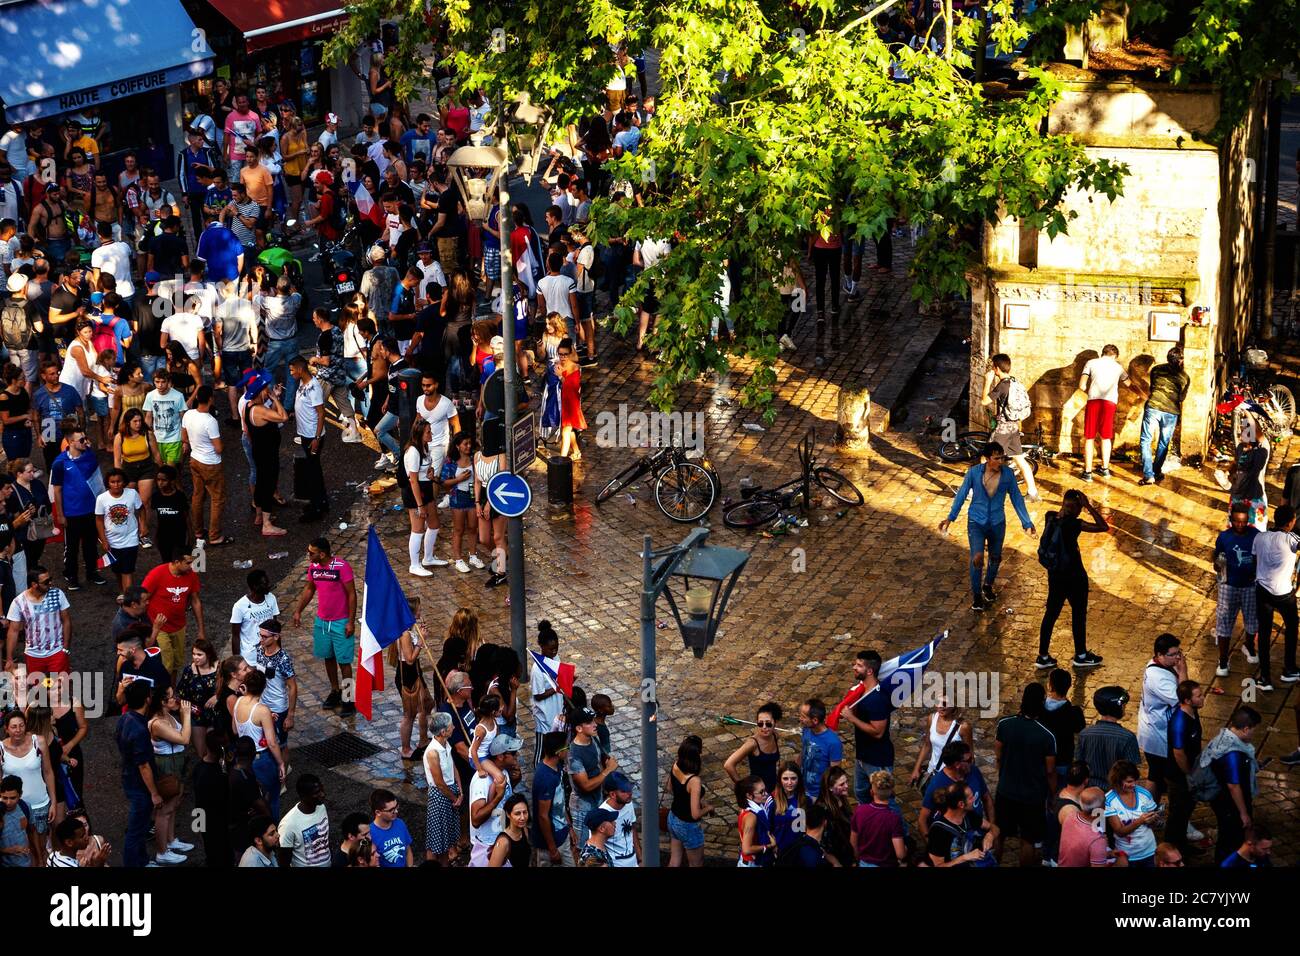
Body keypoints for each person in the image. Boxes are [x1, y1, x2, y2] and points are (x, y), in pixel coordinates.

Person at [940, 441, 1037, 611]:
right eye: (997, 458)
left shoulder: (1008, 475)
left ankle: (988, 585)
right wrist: (950, 518)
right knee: (977, 558)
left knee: (995, 558)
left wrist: (1026, 523)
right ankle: (977, 596)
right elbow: (961, 495)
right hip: (976, 522)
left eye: (1002, 458)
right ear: (987, 459)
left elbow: (1016, 498)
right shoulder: (974, 473)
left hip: (998, 523)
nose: (1001, 462)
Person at [1036, 489, 1108, 670]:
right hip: (1075, 577)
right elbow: (1103, 526)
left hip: (1055, 576)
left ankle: (1043, 656)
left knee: (1050, 615)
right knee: (1078, 615)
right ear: (1077, 507)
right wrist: (1089, 506)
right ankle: (1081, 654)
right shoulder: (1074, 524)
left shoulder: (1050, 516)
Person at [290, 537, 357, 717]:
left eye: (311, 553)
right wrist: (298, 610)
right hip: (322, 622)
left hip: (341, 622)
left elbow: (352, 594)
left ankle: (349, 699)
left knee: (344, 661)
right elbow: (310, 589)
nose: (308, 555)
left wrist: (350, 621)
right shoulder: (314, 568)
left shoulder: (341, 567)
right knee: (328, 657)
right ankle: (335, 691)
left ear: (322, 553)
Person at [993, 683, 1055, 867]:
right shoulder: (1046, 735)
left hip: (1005, 791)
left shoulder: (1004, 724)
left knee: (999, 833)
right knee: (1028, 839)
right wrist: (1052, 795)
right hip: (1032, 797)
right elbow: (1050, 770)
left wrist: (1003, 776)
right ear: (1041, 702)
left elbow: (998, 756)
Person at [50, 424, 107, 590]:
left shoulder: (89, 455)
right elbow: (57, 490)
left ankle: (92, 572)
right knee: (71, 548)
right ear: (71, 442)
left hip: (91, 510)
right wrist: (60, 514)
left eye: (86, 438)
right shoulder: (60, 463)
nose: (86, 442)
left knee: (90, 544)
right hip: (72, 513)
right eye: (81, 440)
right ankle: (72, 575)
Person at [1202, 706, 1261, 863]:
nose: (1254, 734)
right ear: (1246, 729)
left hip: (1219, 798)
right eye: (1254, 730)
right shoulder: (1232, 753)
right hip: (1229, 804)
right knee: (1230, 839)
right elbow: (1233, 785)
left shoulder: (1222, 738)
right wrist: (1243, 813)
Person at [1251, 503, 1300, 691]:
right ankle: (1289, 668)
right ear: (1290, 522)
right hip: (1284, 593)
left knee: (1263, 633)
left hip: (1262, 590)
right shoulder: (1291, 538)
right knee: (1292, 628)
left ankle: (1265, 677)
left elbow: (1255, 561)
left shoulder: (1260, 537)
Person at [114, 680, 162, 866]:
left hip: (128, 776)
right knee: (136, 830)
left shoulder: (125, 719)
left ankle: (141, 860)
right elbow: (144, 766)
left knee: (140, 827)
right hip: (138, 784)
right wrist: (154, 793)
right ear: (147, 700)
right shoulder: (140, 729)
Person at [980, 353, 1040, 500]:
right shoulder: (1014, 382)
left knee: (985, 458)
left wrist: (987, 381)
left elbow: (984, 401)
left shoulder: (1002, 386)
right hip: (1014, 427)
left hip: (1003, 429)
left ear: (996, 369)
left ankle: (975, 492)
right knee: (1020, 459)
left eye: (993, 367)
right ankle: (1033, 493)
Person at [146, 686, 194, 865]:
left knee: (174, 805)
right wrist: (187, 715)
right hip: (166, 766)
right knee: (164, 811)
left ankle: (171, 840)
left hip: (177, 763)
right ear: (162, 702)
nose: (177, 699)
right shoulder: (157, 723)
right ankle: (162, 851)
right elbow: (184, 739)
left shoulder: (168, 715)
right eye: (172, 697)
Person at [142, 552, 206, 682]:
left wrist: (201, 630)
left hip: (179, 626)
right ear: (177, 562)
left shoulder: (191, 575)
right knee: (166, 664)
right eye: (187, 563)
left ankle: (170, 693)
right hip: (160, 628)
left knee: (176, 664)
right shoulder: (157, 574)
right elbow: (142, 598)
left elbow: (195, 601)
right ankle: (162, 695)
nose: (191, 566)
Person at [1136, 632, 1187, 798]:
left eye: (1179, 653)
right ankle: (1149, 811)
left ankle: (1151, 811)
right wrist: (1183, 671)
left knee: (1156, 774)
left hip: (1156, 727)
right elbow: (1185, 699)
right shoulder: (1158, 678)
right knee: (1158, 775)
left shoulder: (1160, 665)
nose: (1177, 658)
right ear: (1159, 655)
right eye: (1173, 655)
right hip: (1156, 733)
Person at [232, 669, 286, 821]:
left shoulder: (238, 702)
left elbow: (235, 729)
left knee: (251, 799)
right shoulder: (262, 710)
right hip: (261, 759)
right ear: (263, 688)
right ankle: (272, 829)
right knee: (271, 798)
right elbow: (272, 742)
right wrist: (281, 763)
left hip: (243, 759)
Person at [1214, 502, 1260, 676]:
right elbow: (1216, 557)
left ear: (1248, 519)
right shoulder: (1224, 537)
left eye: (1243, 521)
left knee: (1252, 620)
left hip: (1250, 585)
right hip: (1229, 586)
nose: (1240, 525)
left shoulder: (1257, 536)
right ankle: (1223, 661)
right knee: (1224, 623)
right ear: (1231, 520)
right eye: (1236, 521)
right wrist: (1218, 565)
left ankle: (1249, 646)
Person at [4, 565, 71, 676]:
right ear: (34, 585)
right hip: (33, 655)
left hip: (57, 652)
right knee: (40, 689)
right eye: (46, 582)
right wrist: (9, 658)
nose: (50, 583)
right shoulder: (19, 602)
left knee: (59, 689)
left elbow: (66, 621)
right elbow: (13, 631)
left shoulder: (57, 594)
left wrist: (65, 648)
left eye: (50, 579)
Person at [1137, 346, 1189, 485]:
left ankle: (1148, 475)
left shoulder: (1156, 369)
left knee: (1145, 440)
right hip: (1171, 413)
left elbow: (1152, 387)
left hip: (1153, 407)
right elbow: (1181, 398)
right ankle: (1156, 470)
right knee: (1163, 443)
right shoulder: (1184, 377)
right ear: (1180, 361)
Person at [468, 734, 523, 866]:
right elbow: (475, 820)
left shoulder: (503, 772)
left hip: (502, 837)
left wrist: (515, 780)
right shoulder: (482, 781)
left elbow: (505, 799)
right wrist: (498, 796)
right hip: (487, 845)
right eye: (513, 753)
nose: (517, 755)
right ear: (500, 756)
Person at [568, 706, 617, 846]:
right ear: (579, 728)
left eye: (593, 720)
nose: (595, 724)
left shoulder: (593, 739)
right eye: (589, 722)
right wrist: (608, 770)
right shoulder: (574, 755)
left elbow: (599, 762)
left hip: (598, 802)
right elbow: (586, 786)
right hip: (582, 810)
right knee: (584, 848)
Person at [1166, 679, 1206, 855]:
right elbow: (1178, 753)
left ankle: (1181, 845)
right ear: (1187, 701)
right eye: (1199, 696)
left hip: (1191, 771)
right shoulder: (1179, 722)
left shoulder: (1193, 712)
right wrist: (1189, 774)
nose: (1203, 697)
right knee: (1177, 814)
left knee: (1185, 812)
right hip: (1179, 775)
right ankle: (1171, 849)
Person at [1076, 686, 1141, 791]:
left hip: (1090, 791)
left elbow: (1080, 764)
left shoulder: (1084, 734)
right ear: (1118, 707)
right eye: (1124, 705)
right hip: (1117, 792)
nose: (1124, 707)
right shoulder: (1127, 737)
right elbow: (1131, 772)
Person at [288, 356, 329, 522]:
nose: (290, 373)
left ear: (299, 369)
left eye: (291, 370)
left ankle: (316, 507)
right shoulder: (302, 383)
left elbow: (321, 413)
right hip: (305, 434)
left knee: (313, 472)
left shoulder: (314, 388)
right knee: (314, 470)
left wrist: (316, 438)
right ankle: (321, 501)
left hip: (312, 436)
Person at [94, 467, 145, 594]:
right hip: (112, 541)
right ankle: (123, 593)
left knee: (127, 570)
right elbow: (99, 520)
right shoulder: (101, 498)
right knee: (117, 570)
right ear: (108, 483)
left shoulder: (132, 493)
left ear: (124, 482)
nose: (116, 484)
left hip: (131, 539)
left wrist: (143, 525)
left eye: (119, 481)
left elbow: (141, 509)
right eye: (113, 482)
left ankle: (129, 600)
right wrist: (104, 540)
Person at [927, 782, 998, 867]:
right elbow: (938, 866)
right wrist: (964, 857)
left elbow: (995, 828)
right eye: (971, 798)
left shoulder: (969, 815)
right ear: (961, 804)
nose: (974, 799)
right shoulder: (938, 831)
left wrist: (990, 835)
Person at [1104, 760, 1159, 867]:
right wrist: (1140, 821)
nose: (1133, 785)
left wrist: (1154, 820)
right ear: (1118, 781)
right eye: (1129, 782)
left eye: (1135, 781)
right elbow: (1119, 831)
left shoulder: (1144, 794)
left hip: (1149, 850)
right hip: (1127, 855)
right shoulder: (1110, 800)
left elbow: (1154, 824)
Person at [666, 734, 711, 867]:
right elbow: (695, 814)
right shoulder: (694, 781)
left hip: (673, 818)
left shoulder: (675, 765)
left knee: (674, 860)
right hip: (688, 826)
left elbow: (669, 787)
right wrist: (708, 808)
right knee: (696, 863)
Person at [423, 711, 462, 864]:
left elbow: (453, 768)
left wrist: (460, 791)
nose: (453, 727)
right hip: (441, 796)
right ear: (443, 731)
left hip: (451, 792)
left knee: (447, 838)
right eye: (450, 725)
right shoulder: (433, 752)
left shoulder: (445, 743)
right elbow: (439, 783)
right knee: (437, 839)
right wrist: (455, 799)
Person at [723, 702, 784, 794]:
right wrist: (742, 787)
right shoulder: (752, 743)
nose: (764, 727)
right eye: (760, 724)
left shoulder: (775, 736)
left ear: (775, 723)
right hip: (758, 793)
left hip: (774, 788)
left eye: (768, 724)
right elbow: (728, 765)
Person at [849, 769, 907, 867]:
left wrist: (857, 859)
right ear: (892, 793)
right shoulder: (893, 818)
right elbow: (900, 854)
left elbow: (853, 842)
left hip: (863, 862)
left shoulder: (860, 811)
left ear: (871, 792)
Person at [531, 731, 572, 866]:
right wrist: (552, 849)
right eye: (567, 747)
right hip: (551, 843)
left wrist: (569, 827)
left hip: (562, 834)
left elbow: (559, 803)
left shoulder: (557, 766)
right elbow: (543, 816)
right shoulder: (545, 779)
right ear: (559, 752)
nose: (568, 750)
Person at [1058, 787, 1127, 867]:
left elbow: (1080, 850)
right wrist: (1120, 863)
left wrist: (1105, 854)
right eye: (1105, 804)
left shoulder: (1070, 816)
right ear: (1100, 809)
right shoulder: (1097, 840)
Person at [176, 638, 219, 764]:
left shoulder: (220, 668)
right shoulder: (189, 670)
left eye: (199, 654)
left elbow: (229, 687)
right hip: (197, 715)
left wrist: (217, 696)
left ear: (209, 654)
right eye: (194, 654)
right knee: (202, 752)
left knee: (215, 748)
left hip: (215, 714)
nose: (195, 657)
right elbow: (182, 694)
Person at [1039, 668, 1085, 788]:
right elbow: (1080, 727)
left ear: (1050, 685)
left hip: (1040, 760)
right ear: (1069, 686)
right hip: (1062, 760)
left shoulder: (1038, 708)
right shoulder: (1074, 712)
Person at [277, 774, 330, 867]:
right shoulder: (288, 824)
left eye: (322, 789)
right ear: (303, 796)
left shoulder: (321, 807)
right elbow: (284, 860)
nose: (323, 794)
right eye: (316, 792)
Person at [797, 697, 842, 800]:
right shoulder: (807, 730)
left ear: (815, 720)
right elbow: (803, 752)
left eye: (803, 717)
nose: (800, 719)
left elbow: (835, 773)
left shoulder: (833, 742)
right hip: (803, 789)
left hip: (819, 795)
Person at [141, 369, 188, 467]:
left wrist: (185, 441)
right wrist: (146, 436)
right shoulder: (150, 396)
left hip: (174, 439)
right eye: (157, 382)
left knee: (171, 471)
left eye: (163, 382)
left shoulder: (178, 396)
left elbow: (183, 419)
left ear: (169, 382)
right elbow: (148, 417)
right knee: (161, 471)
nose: (160, 385)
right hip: (157, 439)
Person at [597, 771, 640, 867]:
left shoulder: (628, 804)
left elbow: (632, 829)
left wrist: (640, 858)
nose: (629, 793)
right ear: (612, 794)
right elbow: (597, 845)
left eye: (629, 788)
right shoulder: (601, 815)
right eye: (624, 791)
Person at [150, 465, 190, 562]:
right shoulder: (156, 496)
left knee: (179, 561)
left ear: (172, 481)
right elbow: (154, 517)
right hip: (163, 536)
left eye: (164, 480)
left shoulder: (179, 496)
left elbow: (187, 516)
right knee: (166, 562)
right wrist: (154, 536)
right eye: (158, 480)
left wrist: (190, 535)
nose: (160, 483)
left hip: (179, 535)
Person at [487, 793, 532, 867]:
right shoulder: (503, 841)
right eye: (517, 814)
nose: (522, 817)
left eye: (525, 812)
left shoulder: (524, 830)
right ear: (508, 814)